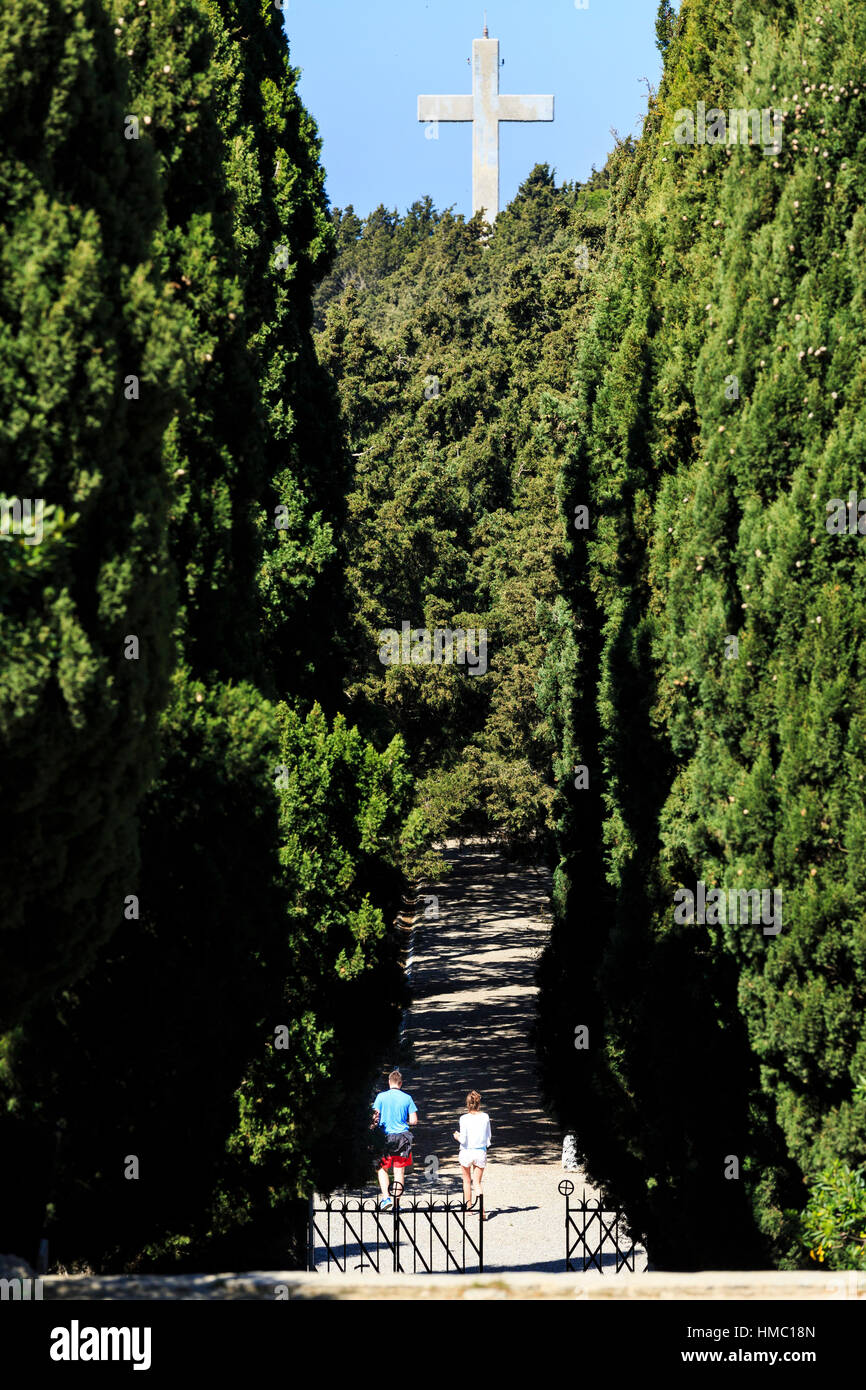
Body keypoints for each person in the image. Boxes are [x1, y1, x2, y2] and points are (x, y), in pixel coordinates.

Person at [372, 1070, 418, 1209]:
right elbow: (414, 1120)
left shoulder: (381, 1097)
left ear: (389, 1082)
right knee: (399, 1171)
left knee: (381, 1168)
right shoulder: (407, 1098)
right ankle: (397, 1204)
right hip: (402, 1137)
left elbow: (375, 1117)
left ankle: (386, 1199)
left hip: (384, 1137)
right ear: (401, 1083)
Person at [453, 1090, 491, 1217]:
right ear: (478, 1103)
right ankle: (482, 1210)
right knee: (477, 1183)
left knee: (466, 1181)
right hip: (480, 1151)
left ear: (467, 1104)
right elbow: (488, 1136)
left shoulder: (463, 1119)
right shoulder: (485, 1117)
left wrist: (457, 1136)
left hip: (466, 1152)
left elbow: (463, 1139)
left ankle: (468, 1207)